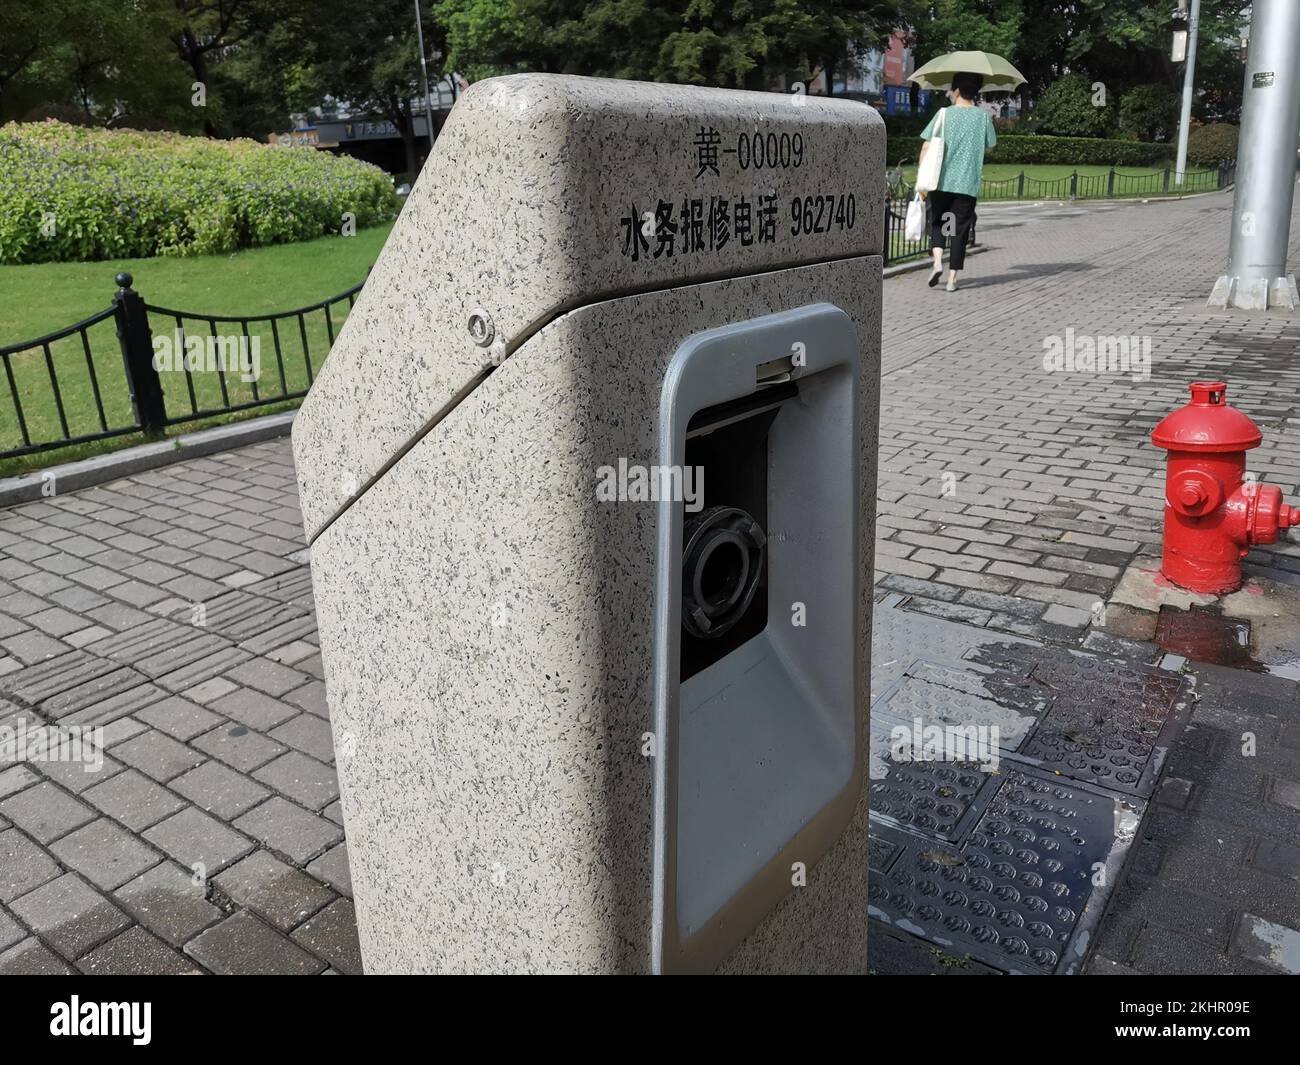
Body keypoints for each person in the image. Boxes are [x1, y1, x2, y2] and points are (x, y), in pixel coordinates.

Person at [917, 72, 997, 291]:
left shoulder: (943, 114)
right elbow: (990, 145)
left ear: (957, 91)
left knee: (940, 223)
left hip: (940, 181)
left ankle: (936, 262)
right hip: (967, 184)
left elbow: (926, 145)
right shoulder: (982, 118)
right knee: (959, 229)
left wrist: (921, 178)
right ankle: (952, 279)